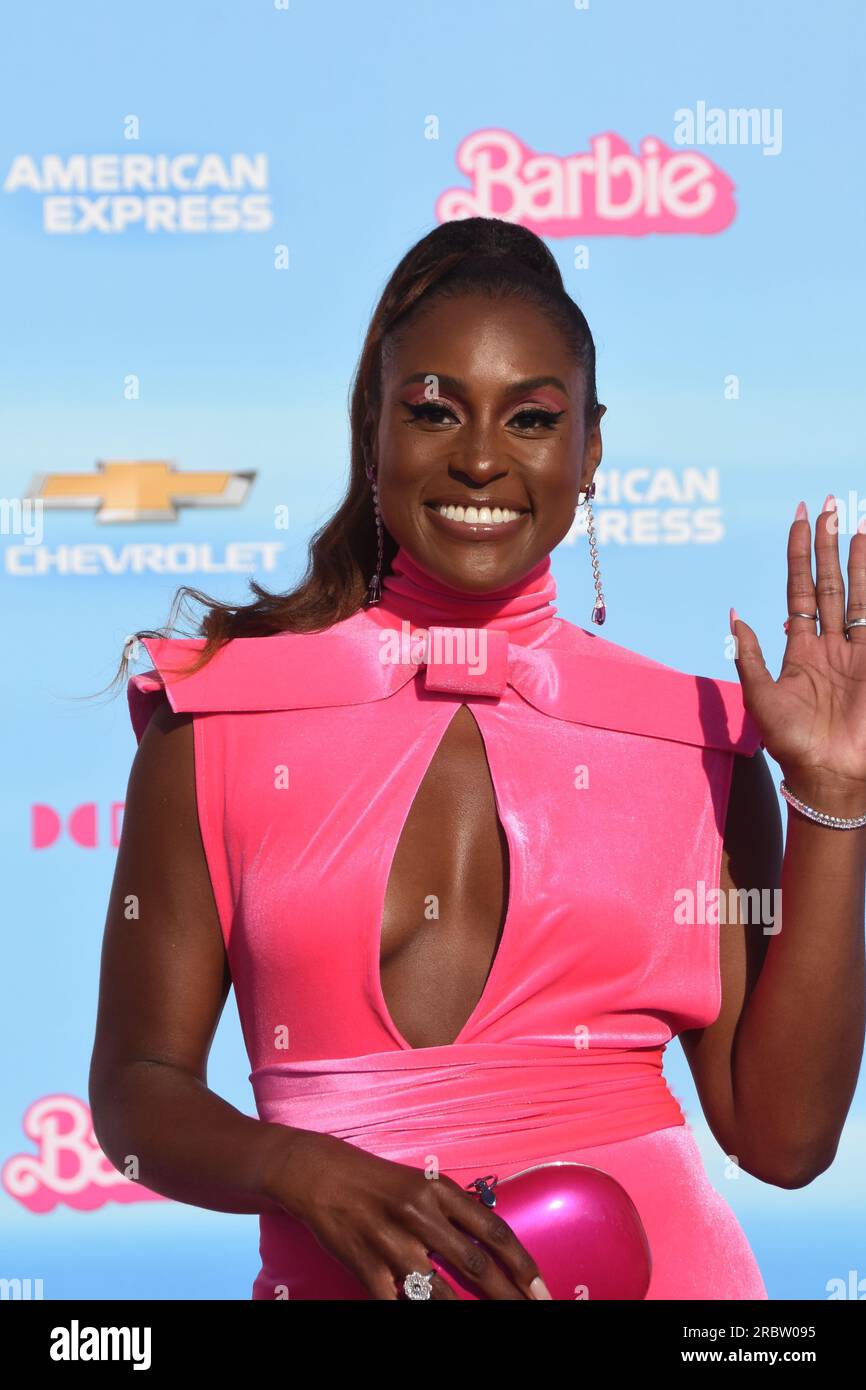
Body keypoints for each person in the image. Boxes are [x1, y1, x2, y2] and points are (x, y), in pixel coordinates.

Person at [90, 217, 866, 1301]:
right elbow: (136, 1098)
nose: (482, 456)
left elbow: (783, 1142)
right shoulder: (213, 722)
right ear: (375, 431)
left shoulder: (693, 741)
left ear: (590, 452)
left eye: (533, 417)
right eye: (433, 410)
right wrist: (299, 1167)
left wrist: (831, 798)